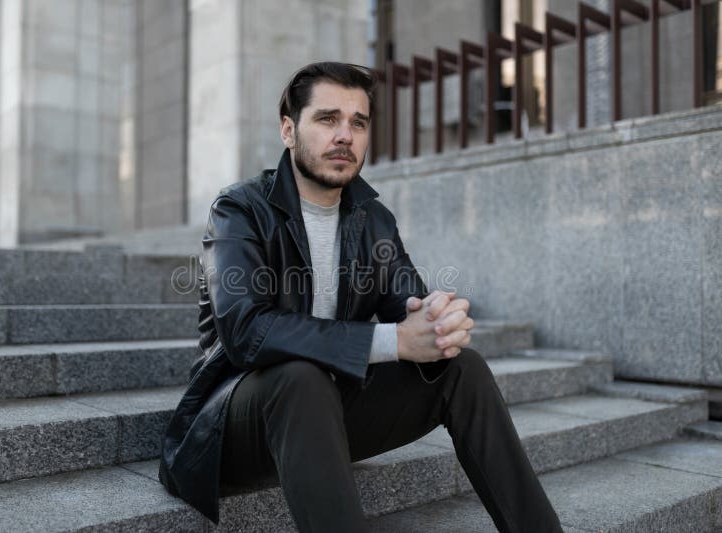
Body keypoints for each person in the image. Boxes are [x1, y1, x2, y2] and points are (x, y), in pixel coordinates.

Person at [159, 61, 563, 533]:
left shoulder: (372, 219)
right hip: (233, 425)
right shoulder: (240, 209)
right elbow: (245, 331)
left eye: (358, 122)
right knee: (298, 376)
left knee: (462, 369)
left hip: (327, 417)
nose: (345, 136)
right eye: (328, 119)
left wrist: (438, 321)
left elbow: (407, 306)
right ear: (289, 130)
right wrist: (394, 341)